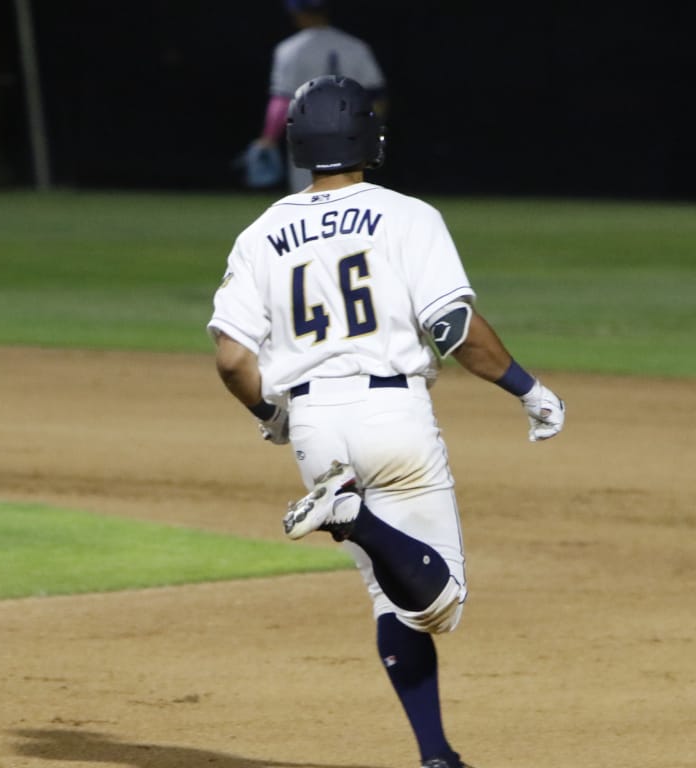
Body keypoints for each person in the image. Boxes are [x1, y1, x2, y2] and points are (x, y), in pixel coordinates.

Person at [208, 75, 566, 768]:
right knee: (440, 606)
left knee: (388, 594)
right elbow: (453, 327)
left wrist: (270, 415)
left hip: (313, 427)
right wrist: (528, 389)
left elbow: (231, 358)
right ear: (370, 138)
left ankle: (437, 756)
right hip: (392, 415)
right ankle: (352, 514)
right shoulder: (406, 216)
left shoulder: (260, 233)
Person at [245, 0, 387, 193]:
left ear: (298, 13)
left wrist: (268, 137)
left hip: (307, 132)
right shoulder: (355, 46)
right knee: (352, 193)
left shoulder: (290, 48)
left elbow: (282, 99)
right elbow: (377, 97)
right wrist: (373, 131)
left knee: (308, 194)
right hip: (351, 132)